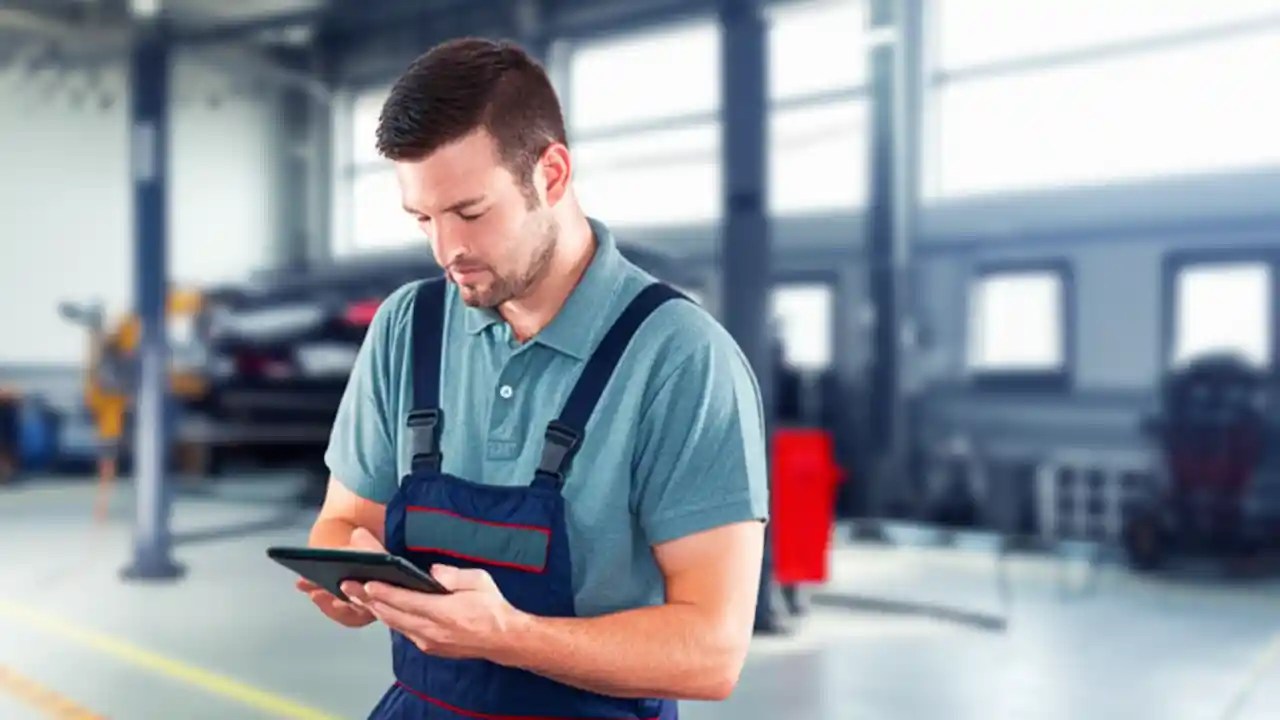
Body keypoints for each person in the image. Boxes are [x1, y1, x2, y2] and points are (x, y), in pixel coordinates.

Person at [299, 37, 769, 719]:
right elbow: (343, 521)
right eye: (423, 219)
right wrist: (350, 584)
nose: (447, 251)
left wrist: (509, 636)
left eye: (469, 212)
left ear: (551, 174)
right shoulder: (407, 328)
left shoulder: (681, 360)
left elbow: (712, 652)